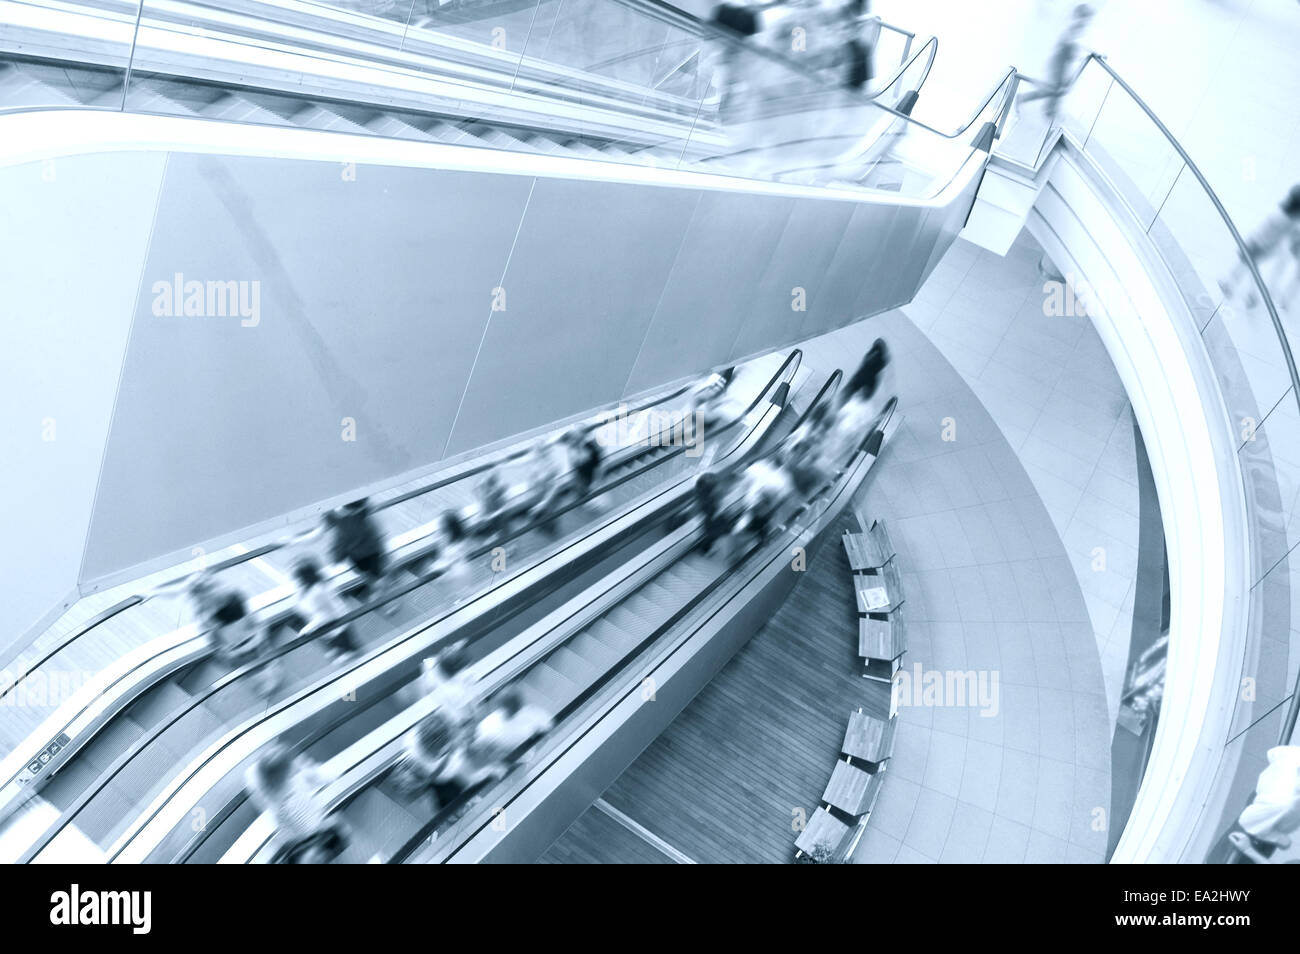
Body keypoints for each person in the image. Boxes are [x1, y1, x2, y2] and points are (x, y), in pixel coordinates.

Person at [246, 744, 350, 864]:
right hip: (314, 838)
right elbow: (309, 829)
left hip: (302, 841)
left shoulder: (272, 800)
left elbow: (251, 774)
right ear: (288, 770)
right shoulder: (294, 790)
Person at [187, 573, 280, 696]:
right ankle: (261, 675)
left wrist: (237, 648)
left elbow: (257, 624)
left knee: (258, 661)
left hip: (244, 644)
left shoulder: (230, 599)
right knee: (249, 664)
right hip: (235, 646)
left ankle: (270, 677)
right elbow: (210, 633)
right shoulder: (205, 610)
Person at [1220, 184, 1300, 309]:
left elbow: (1273, 231)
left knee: (1247, 264)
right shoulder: (1290, 218)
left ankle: (1241, 290)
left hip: (1260, 243)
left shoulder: (1287, 219)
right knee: (1248, 265)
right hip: (1261, 242)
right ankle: (1238, 288)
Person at [1017, 4, 1094, 123]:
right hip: (1060, 60)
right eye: (1086, 16)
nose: (1087, 20)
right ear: (1081, 14)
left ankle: (1049, 111)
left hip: (1062, 60)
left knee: (1058, 88)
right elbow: (1066, 44)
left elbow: (1073, 45)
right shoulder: (1074, 24)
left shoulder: (1077, 26)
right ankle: (1026, 99)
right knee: (1054, 88)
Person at [1228, 745, 1300, 864]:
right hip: (1251, 833)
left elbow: (1272, 754)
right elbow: (1247, 822)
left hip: (1254, 829)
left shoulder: (1294, 754)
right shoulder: (1284, 804)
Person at [290, 559, 360, 660]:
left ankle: (348, 650)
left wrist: (308, 628)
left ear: (303, 577)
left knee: (348, 651)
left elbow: (325, 615)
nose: (295, 581)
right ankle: (340, 648)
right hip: (327, 620)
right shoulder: (310, 588)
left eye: (297, 577)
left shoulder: (318, 590)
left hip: (334, 620)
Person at [470, 687, 553, 770]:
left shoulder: (488, 725)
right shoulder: (534, 714)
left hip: (512, 763)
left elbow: (478, 747)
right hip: (512, 763)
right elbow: (546, 730)